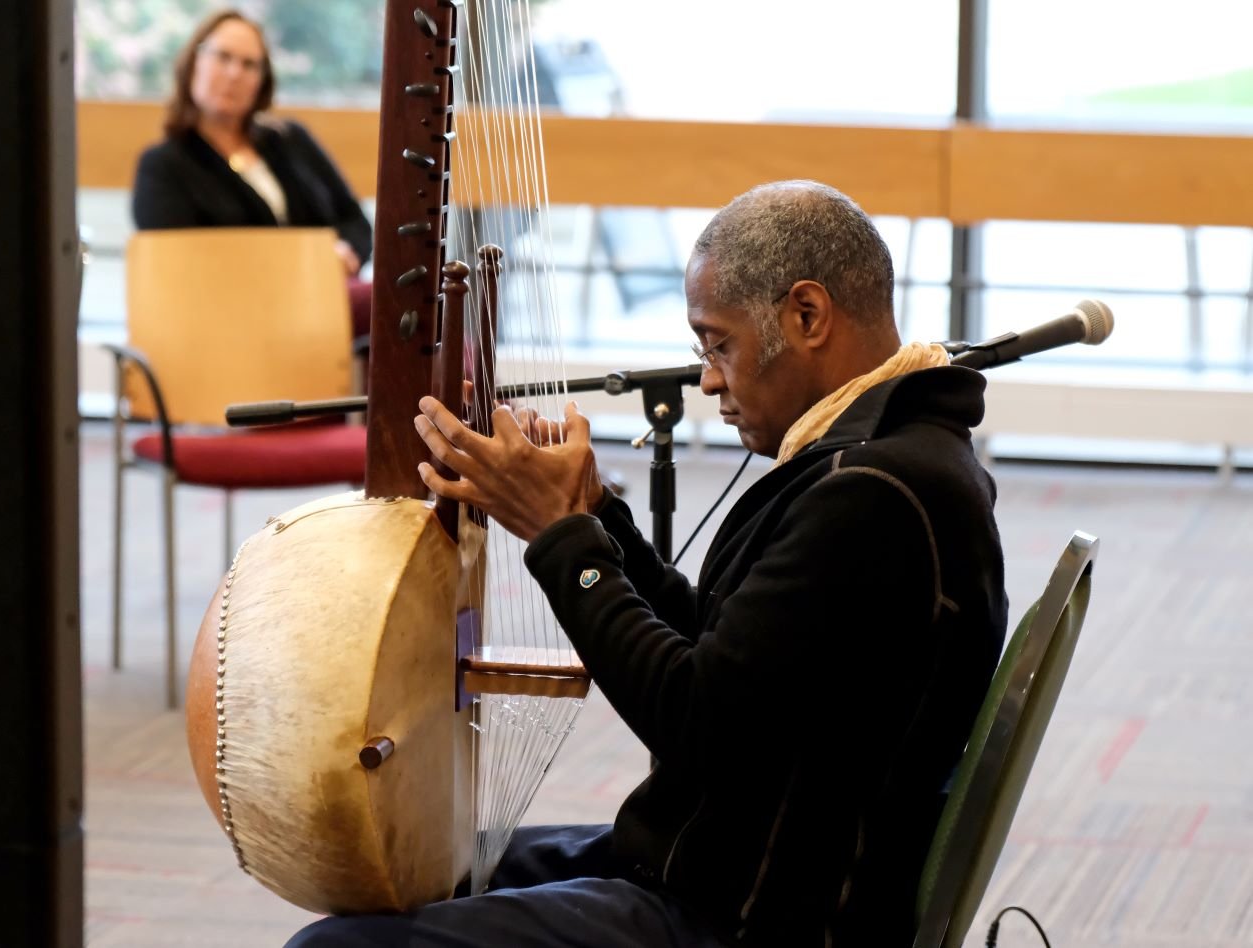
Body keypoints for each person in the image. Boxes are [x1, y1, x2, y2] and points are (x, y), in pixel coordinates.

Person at [286, 180, 1009, 947]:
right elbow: (725, 646)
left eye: (718, 343)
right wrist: (594, 510)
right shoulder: (894, 457)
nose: (709, 379)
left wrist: (561, 537)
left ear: (807, 315)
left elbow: (694, 723)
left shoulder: (874, 495)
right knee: (412, 868)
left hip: (749, 917)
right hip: (720, 859)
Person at [131, 9, 374, 336]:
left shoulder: (291, 140)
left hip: (330, 297)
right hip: (238, 318)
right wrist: (310, 263)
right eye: (223, 57)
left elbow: (355, 221)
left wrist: (345, 253)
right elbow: (184, 266)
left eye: (249, 65)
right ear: (194, 63)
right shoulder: (163, 165)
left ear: (262, 81)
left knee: (411, 311)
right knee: (396, 306)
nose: (234, 73)